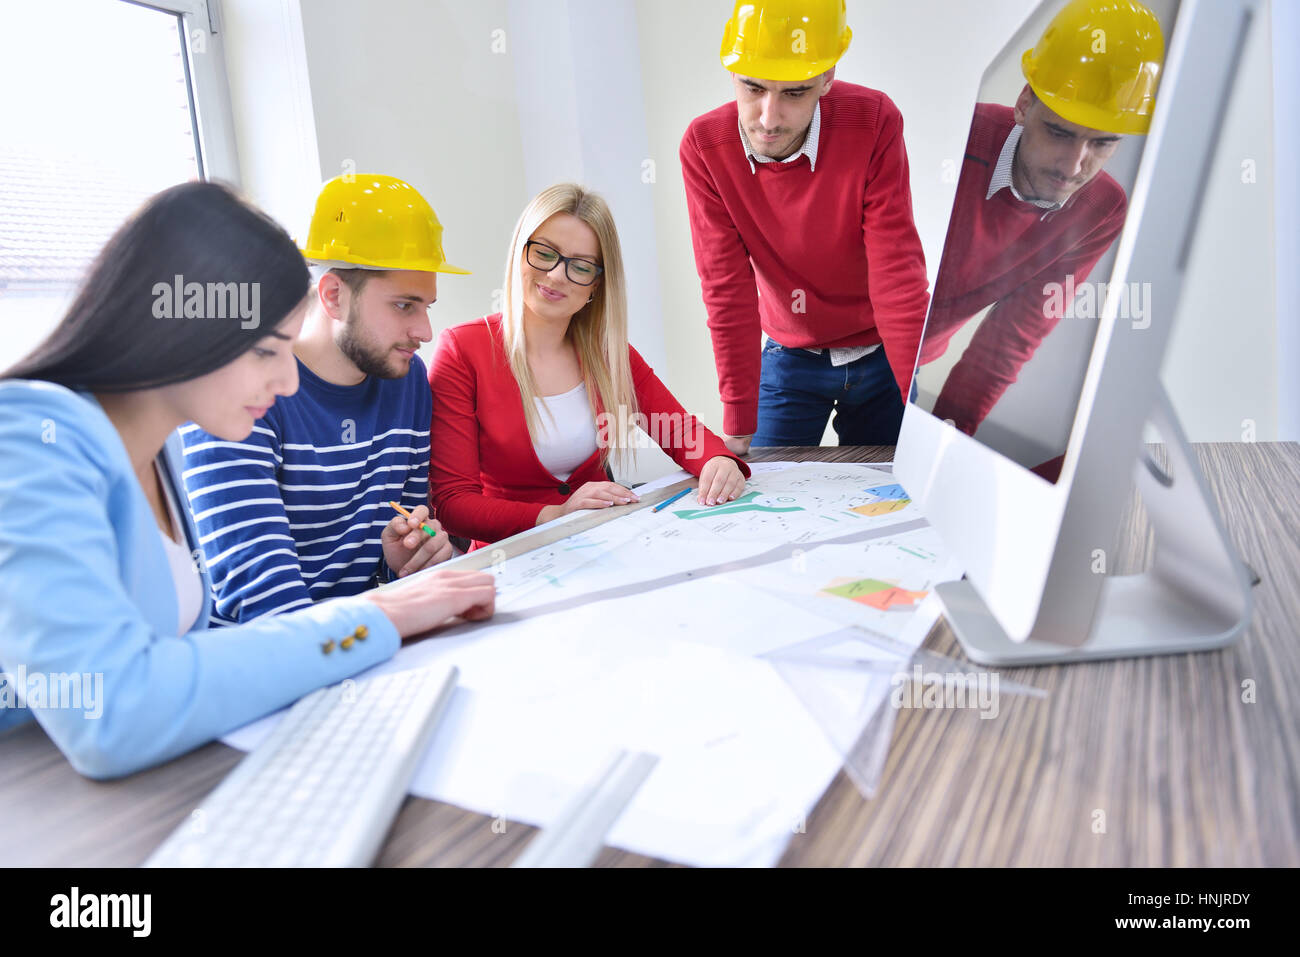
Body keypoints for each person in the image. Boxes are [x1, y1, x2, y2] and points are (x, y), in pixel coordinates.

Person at [0, 182, 495, 779]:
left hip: (141, 780)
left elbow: (179, 659)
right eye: (266, 351)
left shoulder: (157, 454)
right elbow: (108, 712)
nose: (289, 383)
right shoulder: (29, 438)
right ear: (179, 328)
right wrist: (376, 618)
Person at [180, 174, 465, 625]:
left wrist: (401, 565)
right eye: (404, 305)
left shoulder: (406, 378)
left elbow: (403, 548)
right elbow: (264, 606)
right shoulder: (239, 393)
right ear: (333, 295)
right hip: (269, 655)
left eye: (426, 307)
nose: (424, 332)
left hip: (362, 638)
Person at [430, 183, 750, 549]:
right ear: (519, 251)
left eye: (580, 267)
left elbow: (679, 431)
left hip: (603, 546)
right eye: (544, 253)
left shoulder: (608, 354)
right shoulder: (462, 350)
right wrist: (556, 515)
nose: (556, 275)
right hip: (511, 559)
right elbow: (453, 505)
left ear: (596, 285)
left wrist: (716, 461)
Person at [680, 0, 930, 452]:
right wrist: (737, 423)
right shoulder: (704, 146)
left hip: (882, 355)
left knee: (907, 480)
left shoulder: (874, 120)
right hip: (789, 356)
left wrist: (923, 402)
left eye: (794, 93)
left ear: (827, 77)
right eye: (753, 87)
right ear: (732, 72)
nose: (768, 117)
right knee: (761, 479)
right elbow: (726, 288)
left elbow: (897, 274)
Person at [919, 0, 1164, 442]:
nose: (1073, 166)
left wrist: (947, 442)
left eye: (1102, 144)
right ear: (1023, 104)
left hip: (910, 365)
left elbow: (1009, 340)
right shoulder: (955, 135)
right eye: (1058, 133)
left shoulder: (1103, 210)